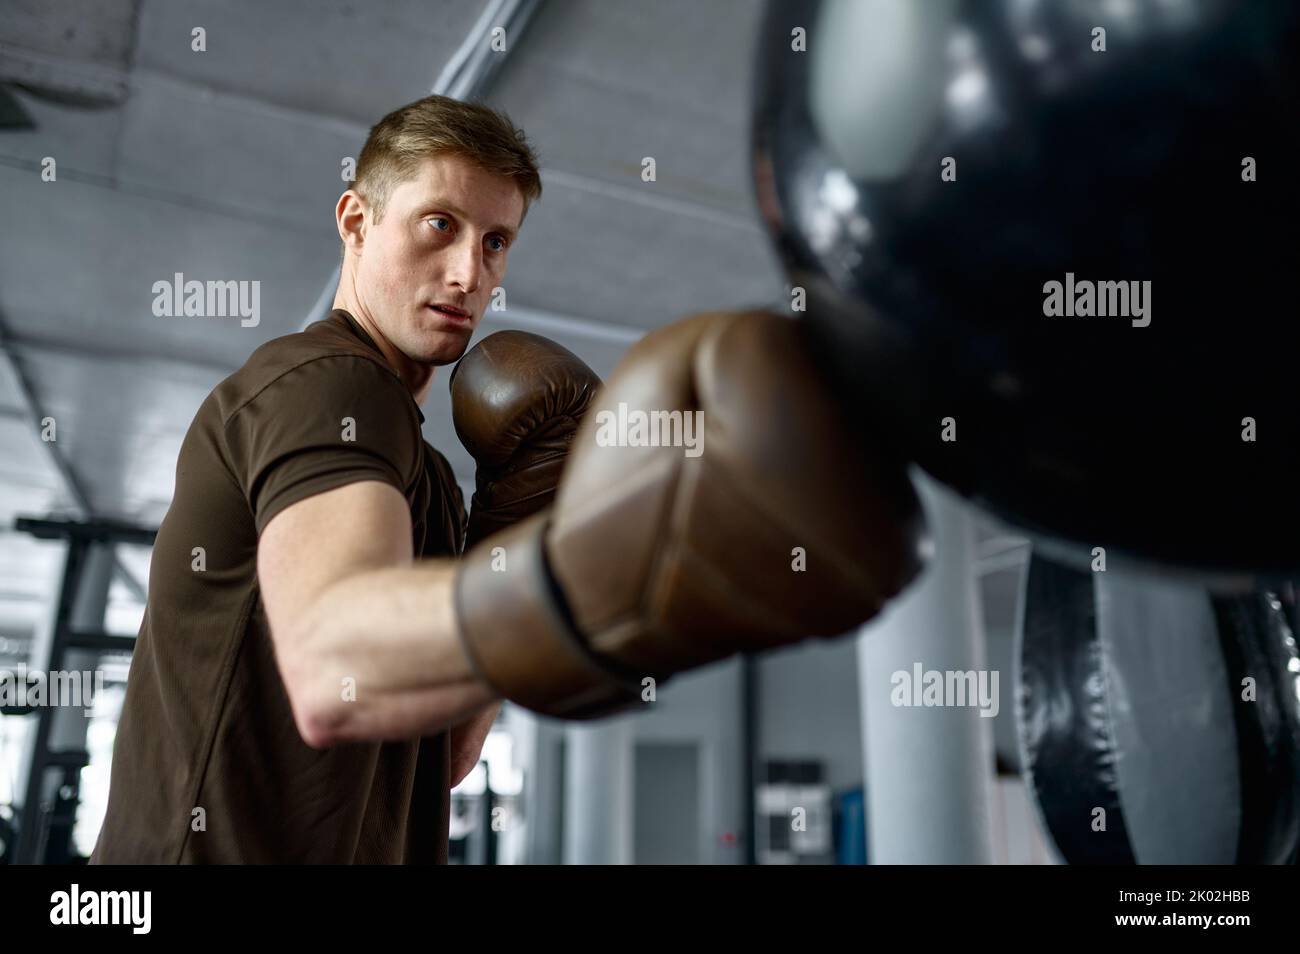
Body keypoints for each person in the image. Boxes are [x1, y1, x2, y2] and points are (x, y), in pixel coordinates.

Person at [91, 95, 562, 863]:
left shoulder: (426, 471)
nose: (469, 272)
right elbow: (338, 679)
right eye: (440, 223)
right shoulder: (331, 385)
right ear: (356, 221)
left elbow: (435, 761)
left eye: (496, 241)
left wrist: (514, 524)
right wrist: (583, 585)